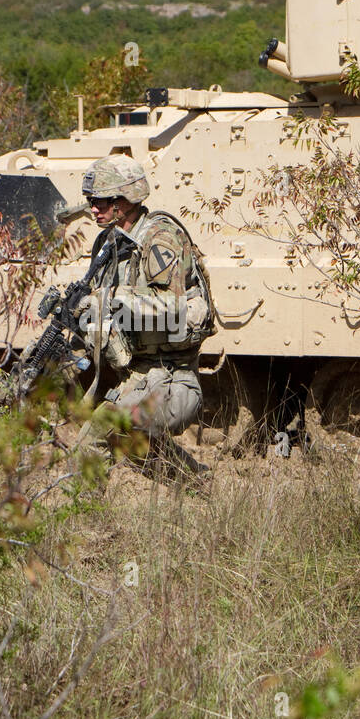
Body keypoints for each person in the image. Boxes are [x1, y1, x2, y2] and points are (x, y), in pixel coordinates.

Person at [69, 155, 215, 480]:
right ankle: (201, 488)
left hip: (173, 377)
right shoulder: (109, 244)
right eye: (92, 201)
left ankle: (89, 528)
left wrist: (111, 298)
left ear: (126, 200)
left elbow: (172, 310)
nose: (93, 208)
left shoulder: (160, 239)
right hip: (137, 376)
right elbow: (102, 306)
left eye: (101, 201)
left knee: (95, 443)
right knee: (134, 449)